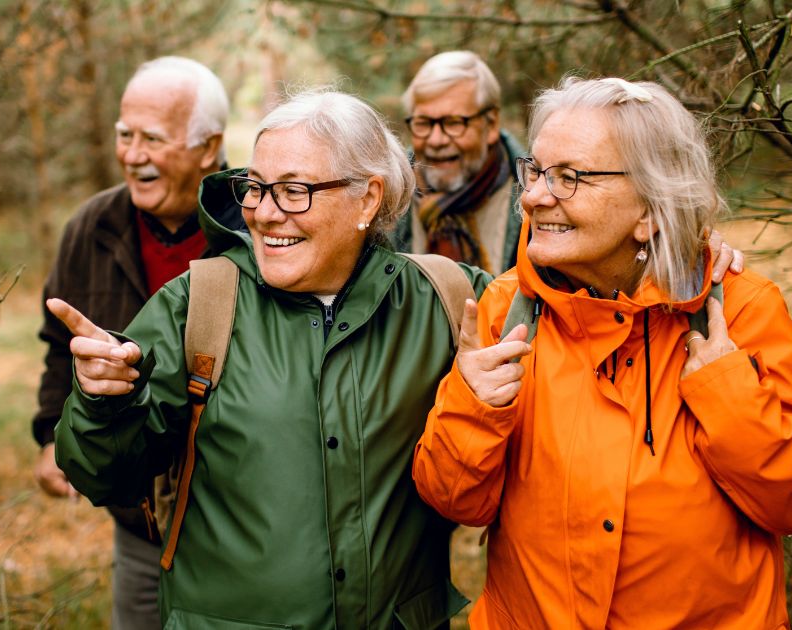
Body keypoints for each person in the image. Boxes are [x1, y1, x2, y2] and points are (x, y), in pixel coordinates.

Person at [411, 77, 792, 628]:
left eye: (569, 177)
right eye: (536, 171)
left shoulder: (739, 311)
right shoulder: (506, 310)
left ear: (650, 207)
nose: (533, 195)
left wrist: (727, 396)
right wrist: (476, 409)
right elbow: (454, 502)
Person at [48, 90, 488, 628]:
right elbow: (105, 478)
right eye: (255, 187)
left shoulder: (445, 300)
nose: (264, 212)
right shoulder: (198, 304)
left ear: (368, 199)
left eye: (294, 191)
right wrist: (102, 402)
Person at [31, 56, 233, 629]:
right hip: (138, 524)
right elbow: (57, 345)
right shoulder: (92, 227)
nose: (133, 154)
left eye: (153, 139)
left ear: (208, 148)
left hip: (238, 519)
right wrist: (51, 435)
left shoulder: (258, 226)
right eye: (125, 135)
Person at [392, 50, 527, 275]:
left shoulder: (534, 200)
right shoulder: (387, 202)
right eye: (423, 123)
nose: (436, 140)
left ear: (491, 124)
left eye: (453, 123)